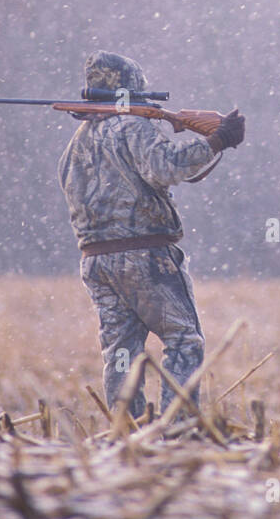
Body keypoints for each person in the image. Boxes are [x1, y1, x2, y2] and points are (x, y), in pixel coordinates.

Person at [58, 50, 245, 418]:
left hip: (95, 260)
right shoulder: (132, 126)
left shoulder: (76, 143)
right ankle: (177, 432)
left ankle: (124, 432)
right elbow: (166, 167)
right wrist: (217, 141)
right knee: (183, 340)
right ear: (133, 88)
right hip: (145, 256)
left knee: (121, 351)